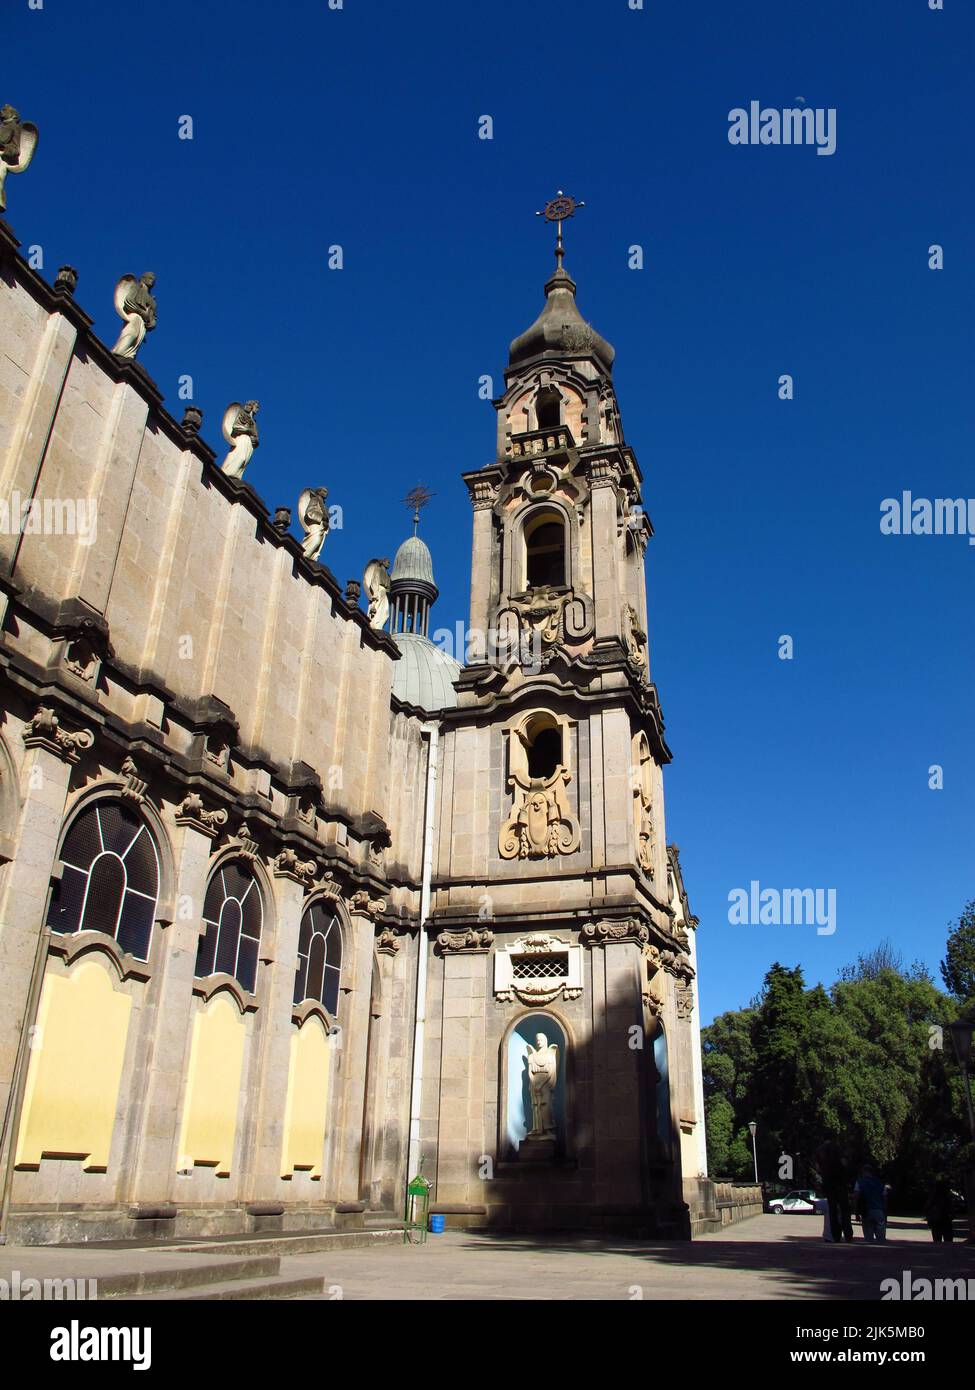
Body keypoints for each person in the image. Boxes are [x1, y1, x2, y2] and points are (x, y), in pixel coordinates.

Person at [816, 1141, 853, 1243]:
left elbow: (820, 1167)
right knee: (844, 1210)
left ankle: (836, 1236)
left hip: (830, 1184)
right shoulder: (839, 1151)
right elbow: (846, 1166)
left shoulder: (822, 1152)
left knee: (833, 1210)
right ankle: (847, 1235)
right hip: (840, 1184)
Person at [854, 1164, 888, 1242]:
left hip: (866, 1211)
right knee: (881, 1239)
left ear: (863, 1172)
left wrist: (856, 1213)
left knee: (868, 1238)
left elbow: (856, 1198)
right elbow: (885, 1199)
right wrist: (885, 1214)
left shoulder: (859, 1182)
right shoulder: (880, 1183)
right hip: (879, 1211)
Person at [923, 1179, 954, 1243]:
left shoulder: (933, 1196)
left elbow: (926, 1207)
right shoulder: (946, 1196)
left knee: (937, 1239)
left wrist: (929, 1216)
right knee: (948, 1240)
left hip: (936, 1220)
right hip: (945, 1220)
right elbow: (951, 1208)